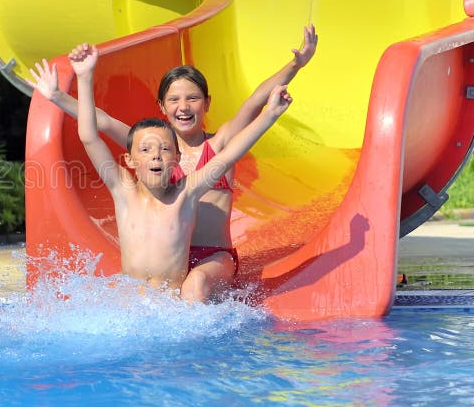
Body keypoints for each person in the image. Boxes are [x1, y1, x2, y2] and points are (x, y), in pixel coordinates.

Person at [29, 25, 317, 301]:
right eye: (174, 100)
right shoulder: (156, 149)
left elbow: (255, 102)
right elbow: (98, 125)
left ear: (207, 103)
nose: (183, 106)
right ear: (162, 107)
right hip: (173, 259)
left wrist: (296, 66)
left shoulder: (220, 144)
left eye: (192, 98)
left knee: (196, 284)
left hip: (212, 257)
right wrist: (57, 96)